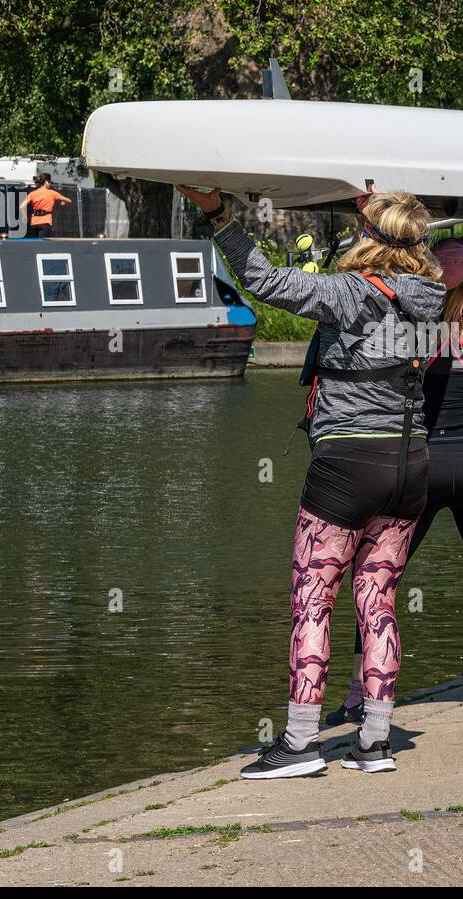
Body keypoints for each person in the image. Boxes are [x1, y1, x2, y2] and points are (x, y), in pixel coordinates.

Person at [180, 183, 445, 779]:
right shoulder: (432, 295)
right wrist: (374, 216)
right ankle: (375, 741)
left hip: (347, 464)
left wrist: (219, 216)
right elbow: (397, 256)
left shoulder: (349, 292)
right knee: (377, 602)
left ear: (372, 237)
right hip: (410, 463)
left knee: (312, 600)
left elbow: (267, 281)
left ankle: (301, 743)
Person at [331, 194, 463, 722]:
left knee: (379, 580)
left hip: (418, 463)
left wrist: (372, 213)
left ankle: (358, 697)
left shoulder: (406, 322)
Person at [21, 173, 71, 238]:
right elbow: (69, 200)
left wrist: (25, 216)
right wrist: (63, 202)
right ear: (46, 182)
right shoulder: (52, 193)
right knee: (43, 246)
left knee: (35, 245)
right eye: (50, 182)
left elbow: (22, 206)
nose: (51, 184)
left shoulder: (33, 193)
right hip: (45, 223)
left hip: (34, 223)